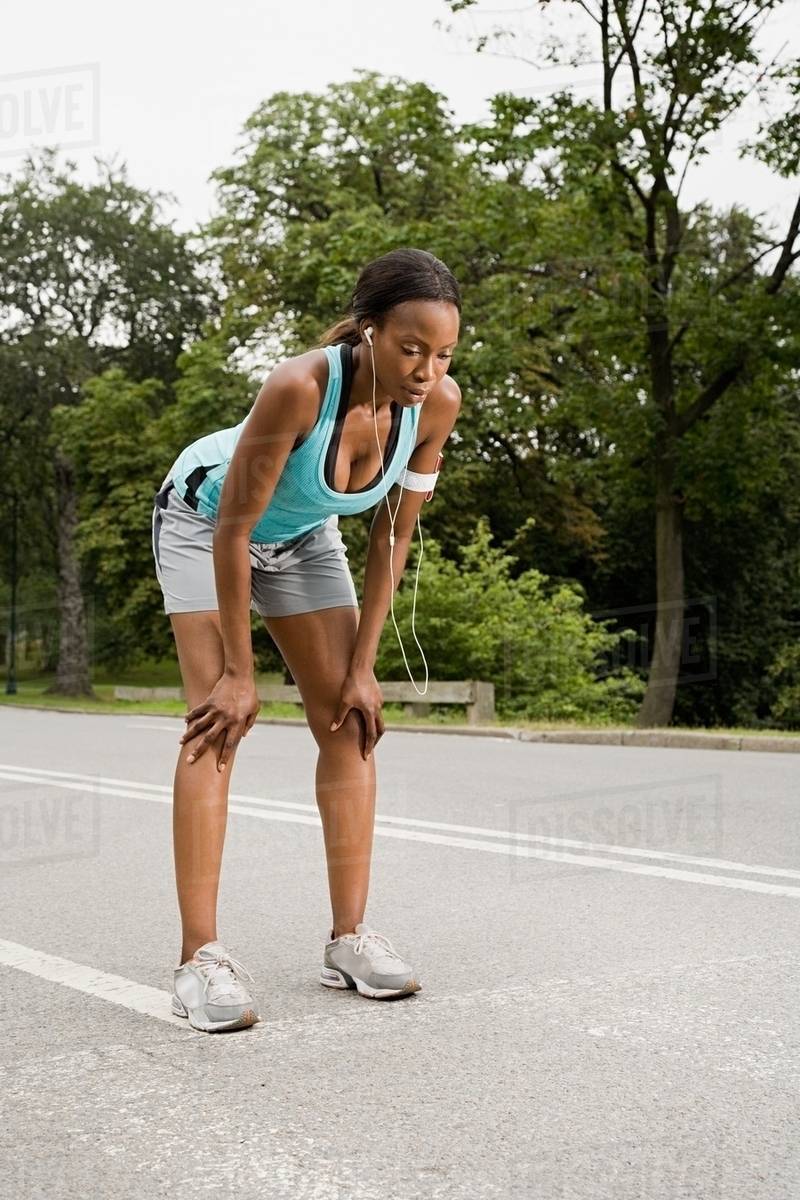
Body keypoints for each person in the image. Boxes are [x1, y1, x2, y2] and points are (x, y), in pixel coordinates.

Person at [151, 247, 462, 1032]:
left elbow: (392, 540)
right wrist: (238, 674)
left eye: (444, 353)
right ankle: (201, 961)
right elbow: (233, 529)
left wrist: (362, 668)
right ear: (369, 331)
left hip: (301, 536)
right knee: (214, 727)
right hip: (206, 521)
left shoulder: (437, 408)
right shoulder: (299, 387)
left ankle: (349, 938)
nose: (426, 369)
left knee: (349, 726)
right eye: (411, 348)